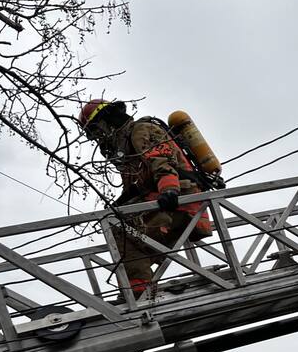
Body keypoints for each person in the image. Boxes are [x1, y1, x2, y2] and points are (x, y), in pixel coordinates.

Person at [77, 99, 214, 303]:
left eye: (96, 130)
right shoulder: (125, 149)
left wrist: (169, 190)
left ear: (107, 120)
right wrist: (117, 207)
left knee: (123, 232)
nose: (98, 138)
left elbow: (162, 163)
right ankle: (136, 290)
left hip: (181, 204)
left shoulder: (140, 131)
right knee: (117, 224)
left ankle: (139, 293)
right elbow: (134, 189)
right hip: (166, 204)